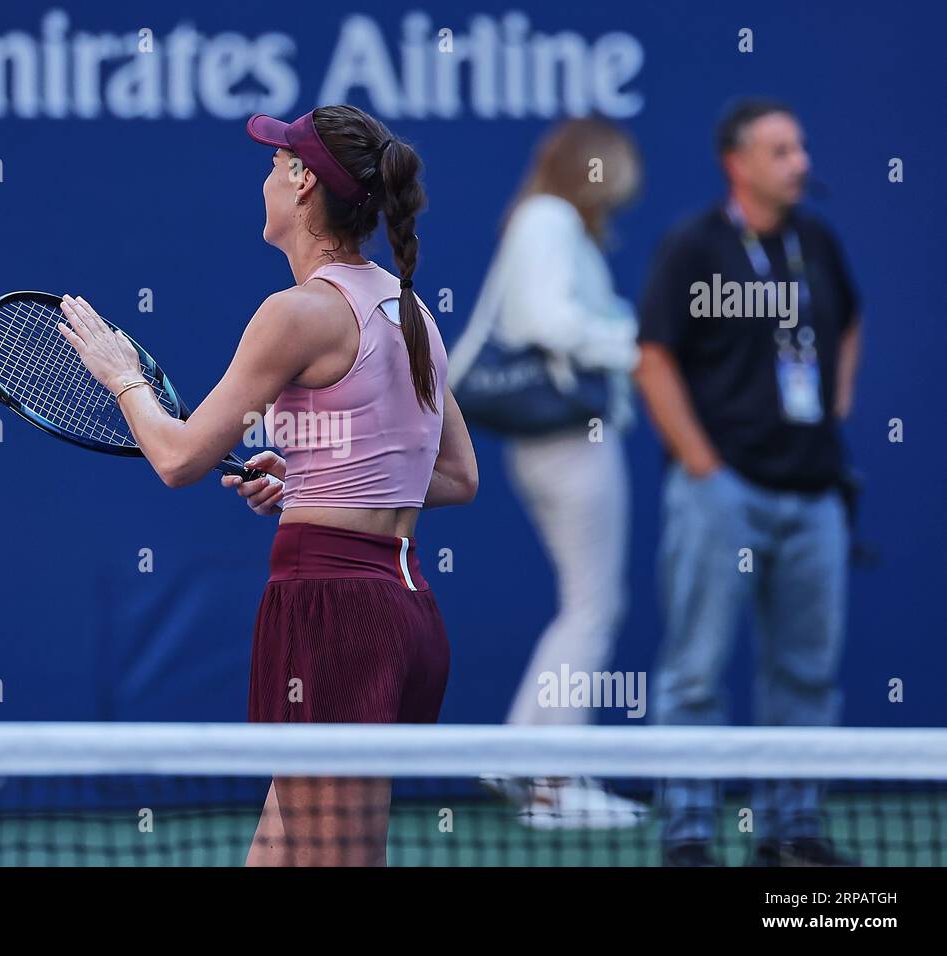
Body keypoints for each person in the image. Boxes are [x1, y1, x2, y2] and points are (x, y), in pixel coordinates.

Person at [55, 105, 478, 866]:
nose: (264, 176)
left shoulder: (297, 314)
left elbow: (179, 457)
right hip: (404, 613)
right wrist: (311, 476)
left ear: (302, 183)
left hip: (336, 614)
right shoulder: (407, 306)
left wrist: (122, 379)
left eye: (275, 162)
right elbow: (453, 476)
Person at [635, 98, 862, 866]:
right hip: (721, 493)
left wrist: (837, 400)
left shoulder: (818, 241)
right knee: (694, 671)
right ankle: (690, 836)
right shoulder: (693, 247)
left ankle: (792, 833)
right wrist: (703, 465)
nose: (800, 161)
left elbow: (851, 320)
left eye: (800, 147)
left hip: (815, 494)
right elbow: (652, 357)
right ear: (739, 163)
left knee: (806, 673)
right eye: (782, 150)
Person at [448, 119, 646, 828]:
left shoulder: (546, 220)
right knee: (594, 607)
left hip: (560, 442)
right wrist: (637, 344)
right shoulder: (550, 218)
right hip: (568, 441)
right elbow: (546, 322)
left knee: (585, 605)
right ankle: (554, 786)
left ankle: (523, 756)